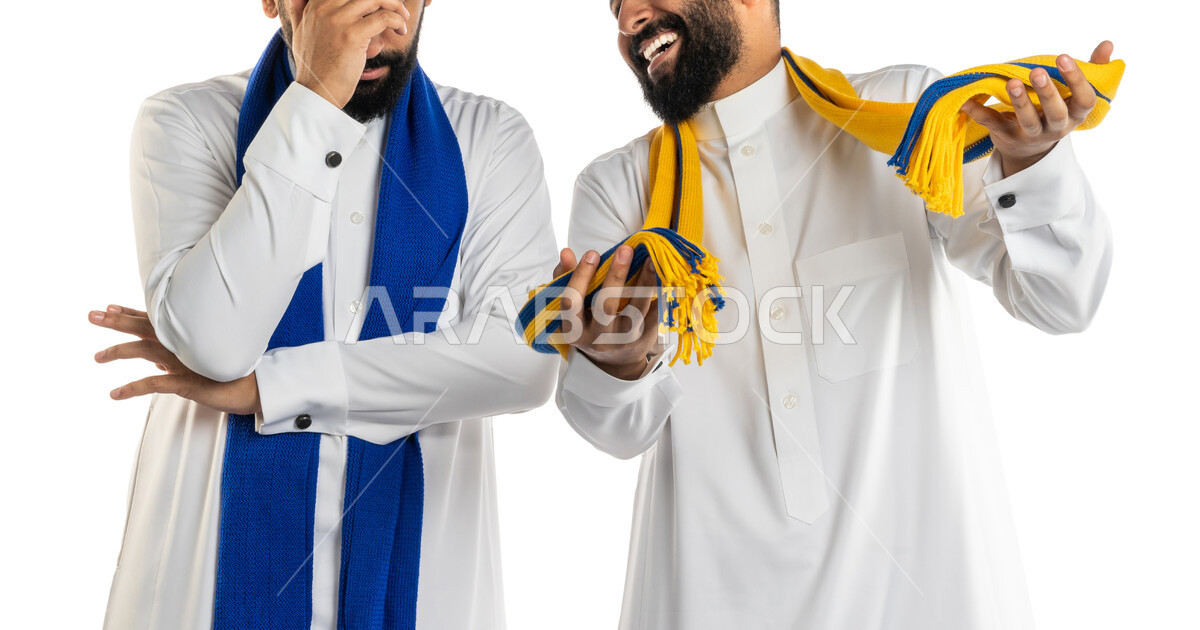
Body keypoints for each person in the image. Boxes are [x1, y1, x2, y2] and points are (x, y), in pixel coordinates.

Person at [552, 0, 1115, 628]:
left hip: (927, 596)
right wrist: (616, 362)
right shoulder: (617, 187)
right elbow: (614, 432)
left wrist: (1033, 165)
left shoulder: (904, 114)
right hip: (707, 598)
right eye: (614, 4)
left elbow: (1062, 300)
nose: (628, 15)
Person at [89, 0, 558, 628]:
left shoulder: (490, 137)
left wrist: (269, 388)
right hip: (204, 581)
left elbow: (523, 360)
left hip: (428, 580)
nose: (373, 19)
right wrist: (313, 104)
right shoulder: (187, 120)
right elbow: (216, 341)